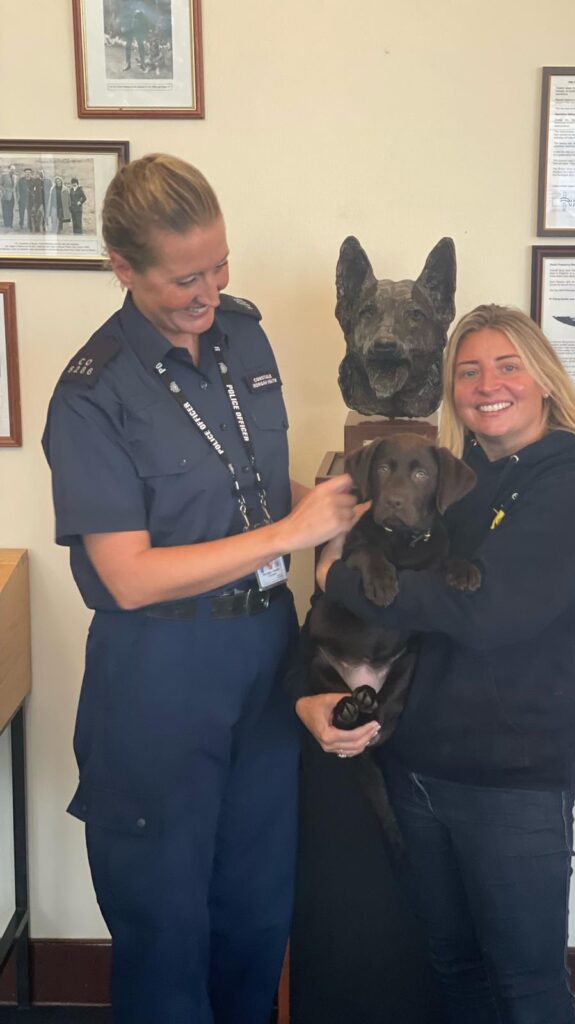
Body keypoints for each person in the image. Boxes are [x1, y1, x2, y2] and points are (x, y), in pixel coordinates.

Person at [42, 153, 357, 1024]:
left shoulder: (243, 336)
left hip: (265, 656)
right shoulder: (92, 397)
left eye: (220, 265)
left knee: (257, 921)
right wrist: (291, 535)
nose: (209, 289)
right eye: (186, 277)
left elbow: (246, 486)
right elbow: (128, 576)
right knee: (168, 939)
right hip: (159, 675)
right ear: (123, 269)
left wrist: (329, 515)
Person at [301, 304, 575, 1024]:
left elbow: (486, 616)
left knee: (528, 984)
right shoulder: (458, 480)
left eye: (508, 366)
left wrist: (337, 576)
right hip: (416, 767)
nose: (487, 385)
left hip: (513, 779)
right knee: (454, 969)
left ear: (544, 379)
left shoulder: (574, 490)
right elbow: (390, 603)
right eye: (468, 371)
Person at [0, 164, 15, 229]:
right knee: (6, 210)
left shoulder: (15, 177)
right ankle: (6, 224)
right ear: (8, 169)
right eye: (11, 169)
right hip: (5, 196)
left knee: (11, 210)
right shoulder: (4, 176)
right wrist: (4, 191)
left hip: (13, 196)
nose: (12, 171)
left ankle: (10, 224)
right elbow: (0, 185)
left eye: (13, 170)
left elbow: (15, 187)